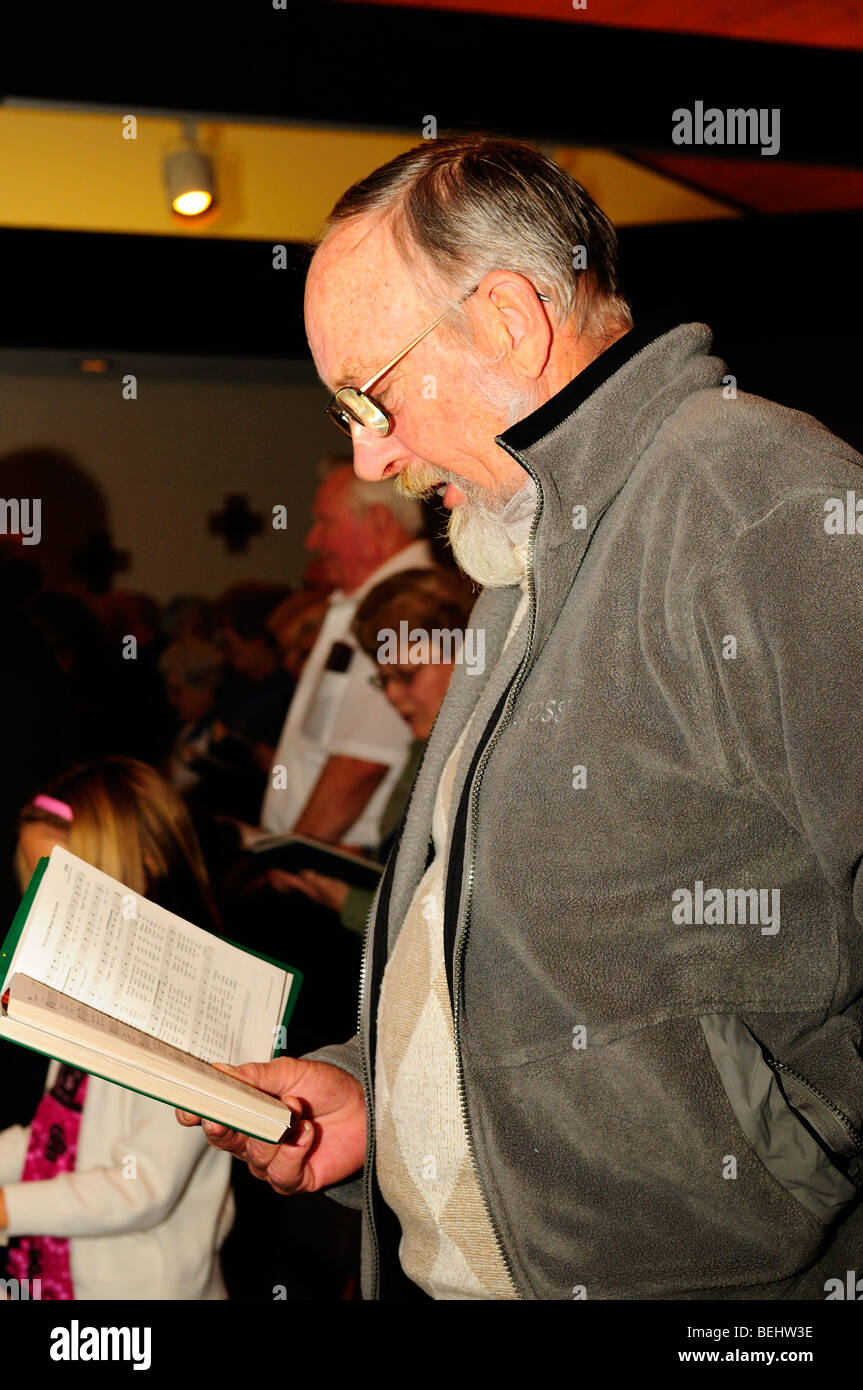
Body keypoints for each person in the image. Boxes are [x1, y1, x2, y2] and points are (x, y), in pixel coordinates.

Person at [180, 133, 863, 1301]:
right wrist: (375, 1092)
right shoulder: (522, 539)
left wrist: (786, 1157)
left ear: (503, 320)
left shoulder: (753, 500)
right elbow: (529, 950)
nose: (370, 456)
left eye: (370, 395)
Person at [0, 758, 234, 1299]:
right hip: (64, 1276)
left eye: (58, 880)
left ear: (143, 865)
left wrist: (7, 1207)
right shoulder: (86, 983)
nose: (38, 905)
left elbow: (144, 1186)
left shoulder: (194, 1009)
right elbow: (55, 1136)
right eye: (32, 882)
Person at [278, 566, 476, 936]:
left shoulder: (487, 760)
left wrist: (348, 902)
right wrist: (367, 864)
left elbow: (462, 923)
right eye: (383, 680)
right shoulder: (426, 746)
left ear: (466, 652)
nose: (392, 695)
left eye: (407, 674)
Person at [258, 458, 433, 851]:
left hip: (342, 865)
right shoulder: (366, 602)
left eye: (325, 522)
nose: (312, 541)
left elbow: (362, 764)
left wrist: (292, 859)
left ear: (379, 523)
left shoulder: (405, 609)